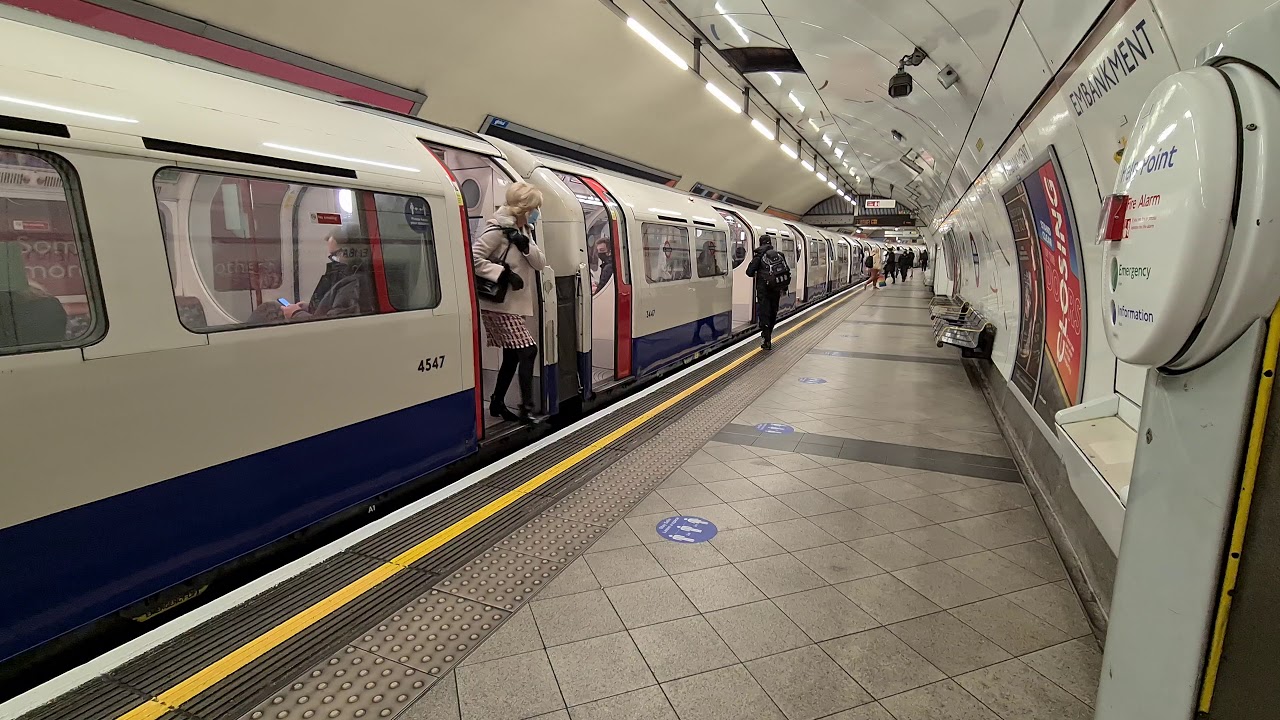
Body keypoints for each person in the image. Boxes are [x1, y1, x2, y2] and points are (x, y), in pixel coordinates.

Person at [473, 181, 549, 423]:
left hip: (514, 305)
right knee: (528, 350)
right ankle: (526, 408)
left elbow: (540, 263)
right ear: (524, 208)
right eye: (535, 208)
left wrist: (525, 246)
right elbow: (473, 258)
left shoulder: (523, 230)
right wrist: (503, 274)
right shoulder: (498, 229)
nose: (536, 212)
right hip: (499, 304)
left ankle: (497, 402)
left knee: (513, 355)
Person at [268, 226, 376, 323]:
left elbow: (334, 324)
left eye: (335, 254)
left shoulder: (354, 282)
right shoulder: (349, 276)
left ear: (350, 252)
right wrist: (312, 307)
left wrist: (296, 314)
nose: (333, 259)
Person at [745, 235, 789, 350]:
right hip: (776, 290)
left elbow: (749, 272)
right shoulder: (779, 255)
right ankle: (768, 334)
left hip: (763, 291)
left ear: (761, 243)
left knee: (764, 314)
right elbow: (785, 271)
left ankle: (767, 340)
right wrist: (784, 288)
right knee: (773, 313)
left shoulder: (759, 256)